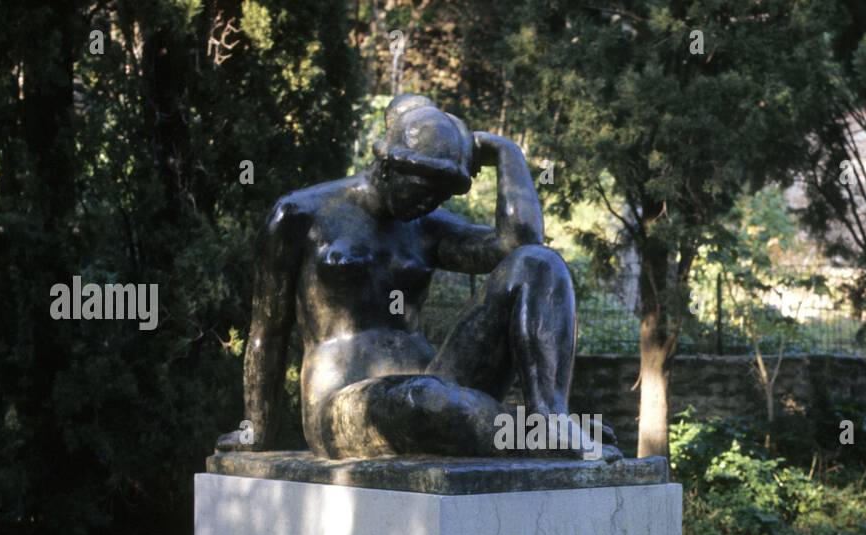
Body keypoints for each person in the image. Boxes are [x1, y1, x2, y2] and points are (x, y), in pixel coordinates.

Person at [217, 93, 617, 461]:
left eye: (442, 194)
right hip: (342, 403)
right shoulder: (301, 214)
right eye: (423, 186)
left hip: (438, 381)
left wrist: (505, 152)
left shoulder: (427, 226)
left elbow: (522, 243)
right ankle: (520, 432)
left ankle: (548, 419)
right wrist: (257, 430)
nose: (430, 201)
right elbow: (266, 331)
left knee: (540, 263)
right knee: (425, 401)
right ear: (388, 162)